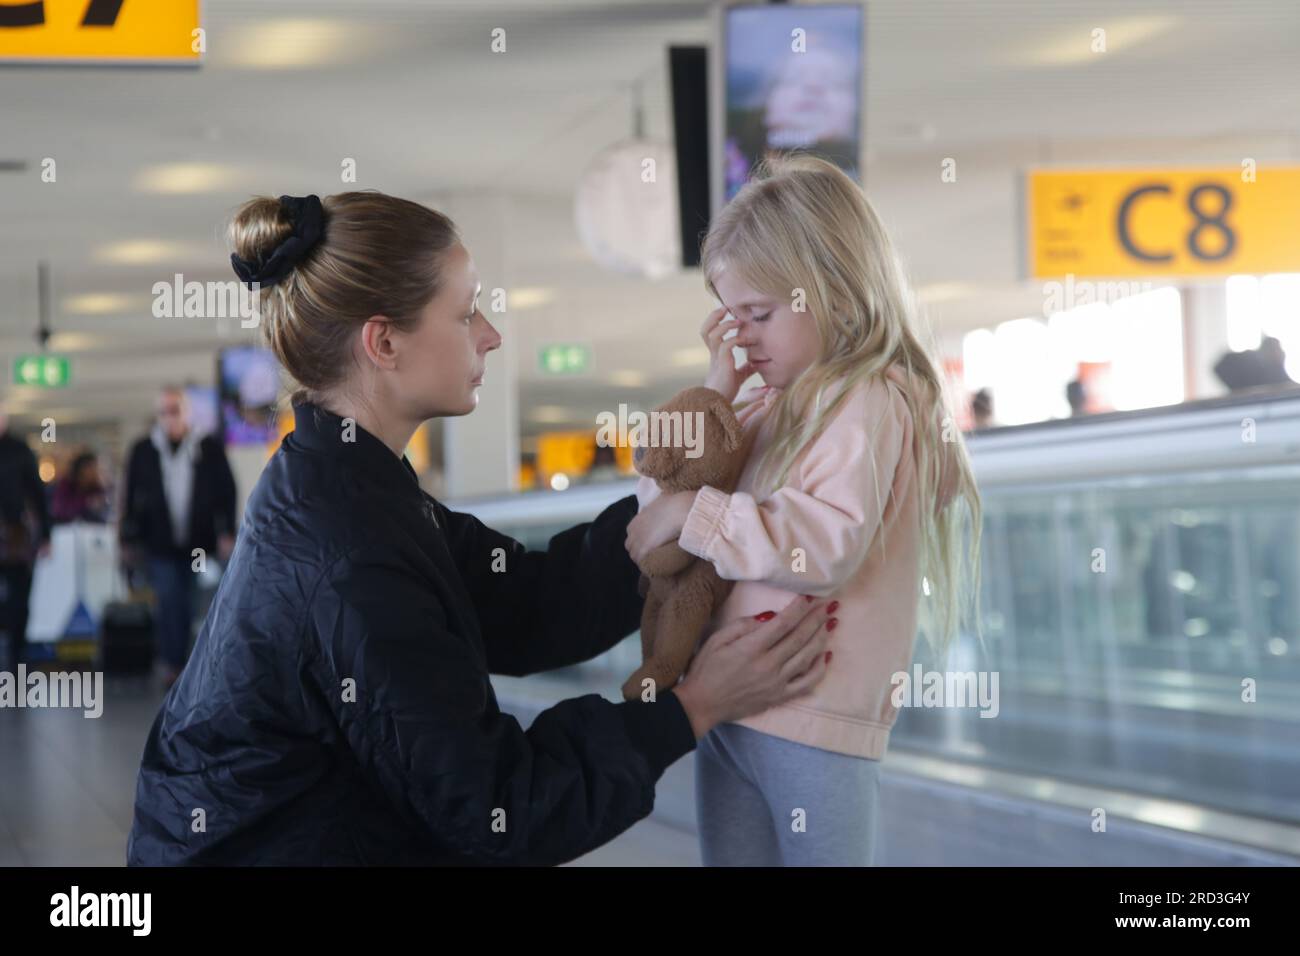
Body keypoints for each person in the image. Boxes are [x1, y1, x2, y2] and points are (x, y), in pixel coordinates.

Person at [127, 191, 833, 866]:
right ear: (384, 342)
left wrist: (679, 493)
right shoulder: (346, 549)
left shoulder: (347, 484)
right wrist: (695, 704)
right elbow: (500, 807)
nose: (492, 336)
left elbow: (531, 602)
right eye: (467, 314)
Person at [626, 156, 983, 866]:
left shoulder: (870, 399)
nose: (743, 337)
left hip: (812, 714)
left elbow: (822, 547)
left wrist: (695, 513)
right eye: (731, 320)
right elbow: (654, 513)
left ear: (836, 291)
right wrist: (715, 397)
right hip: (729, 707)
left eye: (758, 315)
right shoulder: (758, 406)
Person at [120, 387, 237, 687]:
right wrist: (127, 537)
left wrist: (227, 532)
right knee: (169, 598)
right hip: (159, 543)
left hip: (199, 544)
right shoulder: (144, 450)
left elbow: (227, 492)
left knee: (194, 599)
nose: (170, 417)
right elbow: (130, 495)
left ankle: (192, 662)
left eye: (176, 410)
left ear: (186, 412)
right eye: (164, 411)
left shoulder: (208, 447)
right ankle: (173, 663)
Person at [0, 412, 51, 672]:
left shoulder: (20, 450)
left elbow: (38, 493)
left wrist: (45, 535)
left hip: (15, 532)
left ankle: (16, 650)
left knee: (20, 594)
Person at [51, 450, 109, 524]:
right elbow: (58, 511)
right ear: (81, 470)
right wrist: (87, 503)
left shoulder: (97, 488)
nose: (95, 472)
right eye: (91, 468)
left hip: (91, 532)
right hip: (65, 531)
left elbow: (105, 516)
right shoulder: (66, 485)